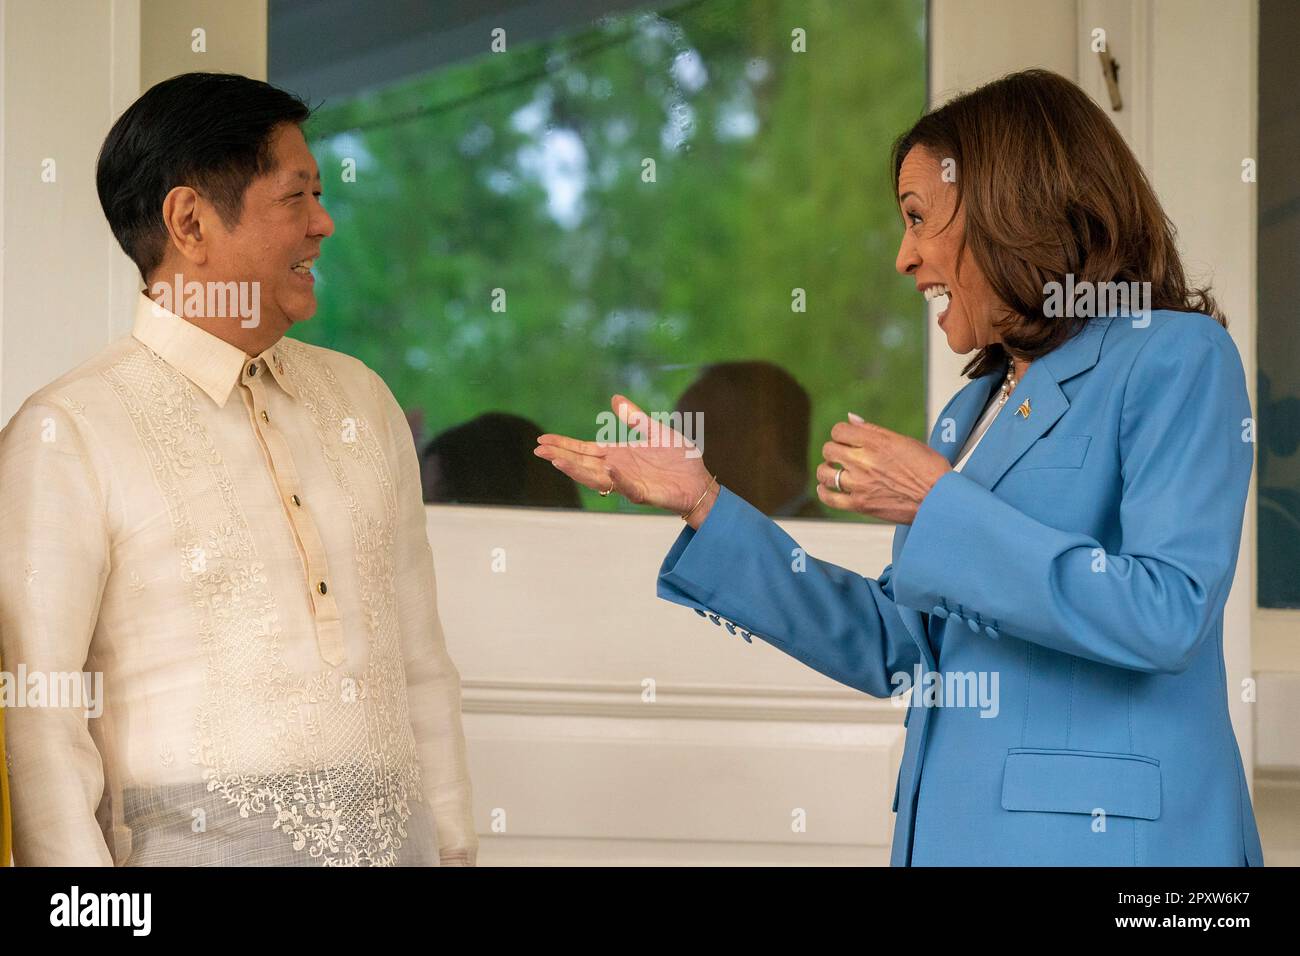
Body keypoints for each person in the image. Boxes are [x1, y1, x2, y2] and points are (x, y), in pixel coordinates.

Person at [535, 69, 1264, 866]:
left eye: (918, 220)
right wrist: (704, 502)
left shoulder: (1175, 356)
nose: (903, 256)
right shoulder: (974, 410)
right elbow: (896, 642)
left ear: (1008, 207)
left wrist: (936, 500)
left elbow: (1169, 612)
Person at [0, 73, 477, 866]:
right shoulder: (68, 432)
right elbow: (40, 721)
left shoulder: (361, 400)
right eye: (296, 197)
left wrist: (456, 852)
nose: (324, 224)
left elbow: (423, 666)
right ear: (190, 221)